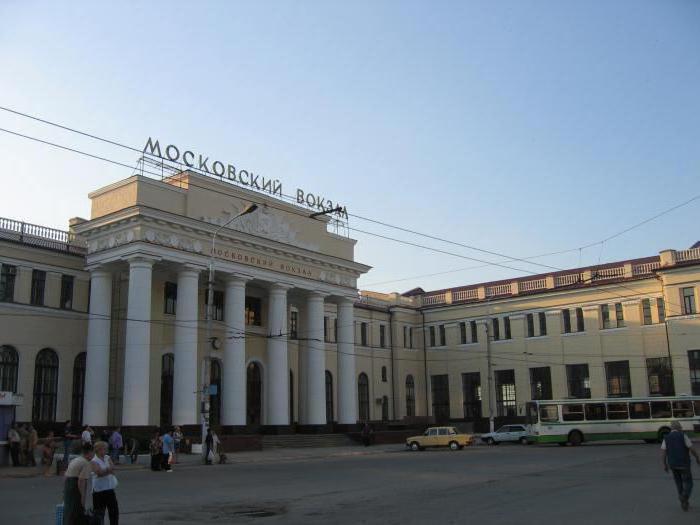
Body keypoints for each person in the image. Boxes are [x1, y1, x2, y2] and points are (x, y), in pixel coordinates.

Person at [662, 420, 700, 511]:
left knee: (678, 483)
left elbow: (663, 452)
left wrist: (665, 464)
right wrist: (697, 458)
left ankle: (684, 502)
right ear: (679, 428)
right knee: (689, 483)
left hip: (673, 465)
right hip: (684, 464)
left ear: (671, 428)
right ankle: (684, 496)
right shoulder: (683, 436)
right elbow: (692, 449)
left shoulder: (666, 438)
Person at [63, 442, 96, 525]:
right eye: (93, 453)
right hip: (75, 487)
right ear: (90, 452)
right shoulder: (86, 463)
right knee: (76, 511)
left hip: (68, 485)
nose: (93, 455)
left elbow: (65, 475)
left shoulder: (76, 459)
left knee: (69, 510)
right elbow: (81, 480)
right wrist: (82, 497)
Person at [92, 441, 119, 524]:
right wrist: (108, 470)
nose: (106, 451)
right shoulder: (94, 460)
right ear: (99, 450)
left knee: (114, 511)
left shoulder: (107, 457)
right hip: (99, 490)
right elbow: (98, 472)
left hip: (109, 488)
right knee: (99, 513)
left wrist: (106, 471)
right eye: (104, 449)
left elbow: (113, 468)